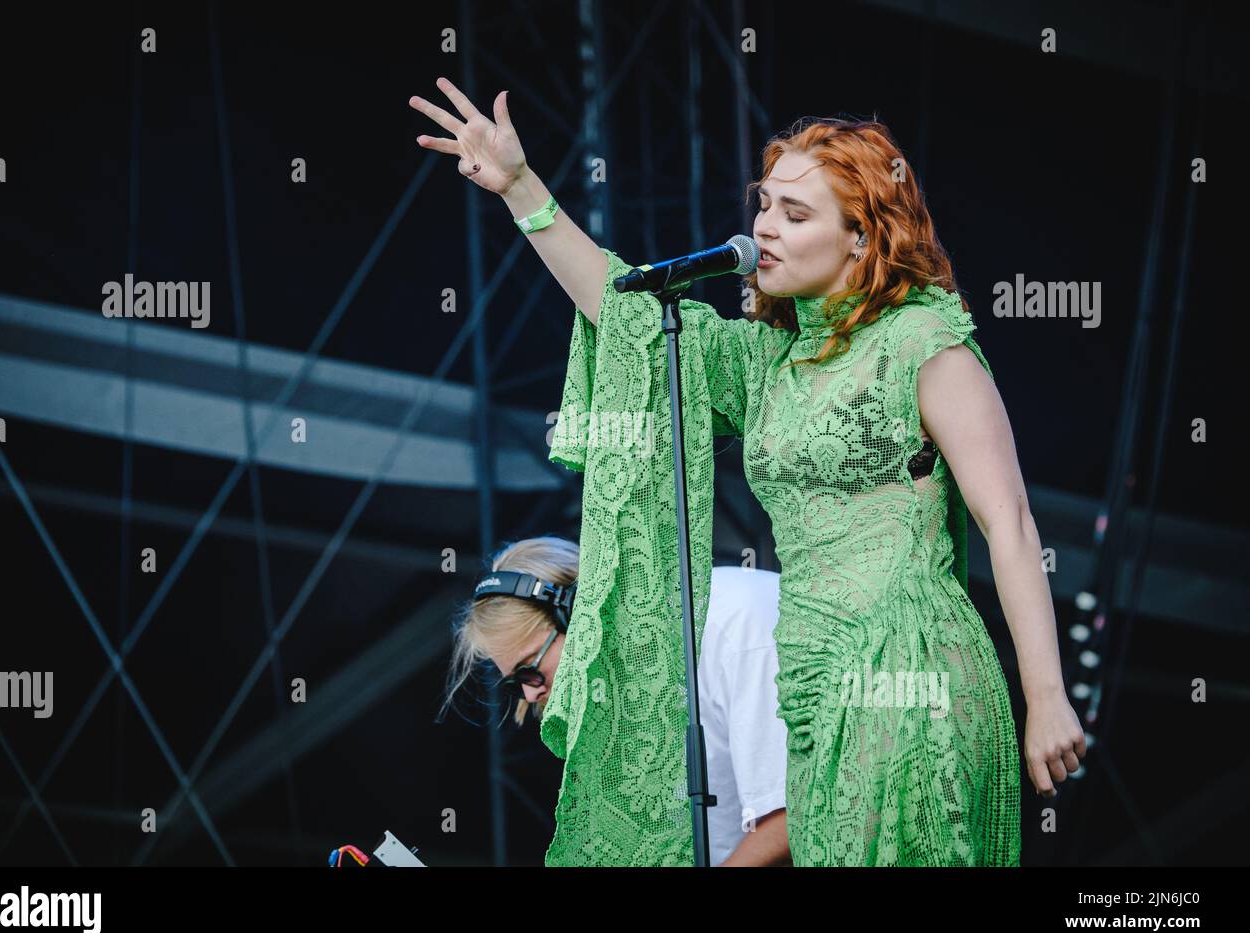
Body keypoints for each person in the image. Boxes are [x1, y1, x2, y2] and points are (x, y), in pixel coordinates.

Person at [410, 79, 1086, 866]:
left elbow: (1009, 522)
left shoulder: (923, 341)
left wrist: (1044, 695)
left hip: (905, 666)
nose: (764, 227)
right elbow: (627, 311)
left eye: (795, 216)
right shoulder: (769, 361)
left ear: (863, 238)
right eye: (764, 204)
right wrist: (523, 192)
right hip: (811, 677)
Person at [440, 536, 791, 866]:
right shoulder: (629, 697)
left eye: (530, 669)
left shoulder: (731, 620)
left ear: (576, 614)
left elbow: (789, 816)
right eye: (518, 684)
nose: (531, 694)